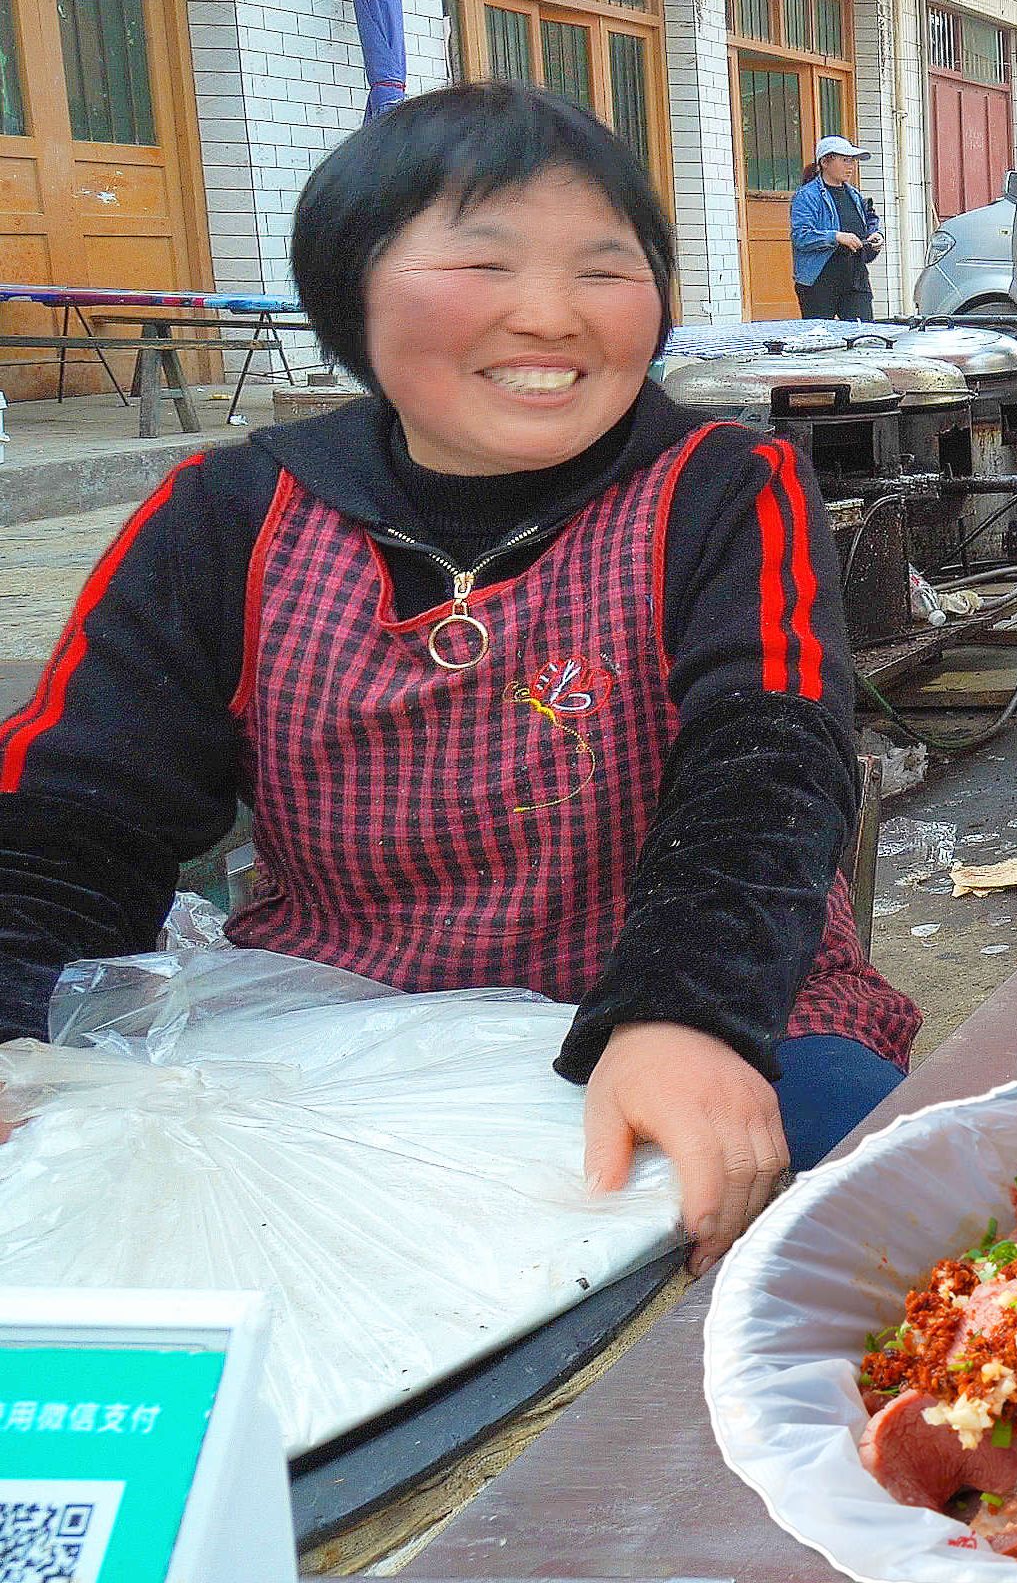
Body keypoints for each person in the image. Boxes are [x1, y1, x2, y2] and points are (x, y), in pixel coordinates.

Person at [0, 84, 917, 1267]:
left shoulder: (723, 486)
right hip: (339, 1024)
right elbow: (75, 812)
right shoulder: (225, 515)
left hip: (719, 997)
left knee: (866, 1219)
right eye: (482, 265)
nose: (550, 316)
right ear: (352, 291)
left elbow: (769, 761)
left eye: (602, 269)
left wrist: (684, 1013)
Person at [788, 135, 881, 320]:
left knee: (863, 336)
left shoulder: (854, 194)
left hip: (855, 280)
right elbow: (801, 236)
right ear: (824, 162)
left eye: (853, 161)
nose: (851, 166)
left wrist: (875, 236)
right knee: (820, 340)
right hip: (819, 282)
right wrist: (837, 237)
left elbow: (870, 220)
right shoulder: (807, 195)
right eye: (845, 160)